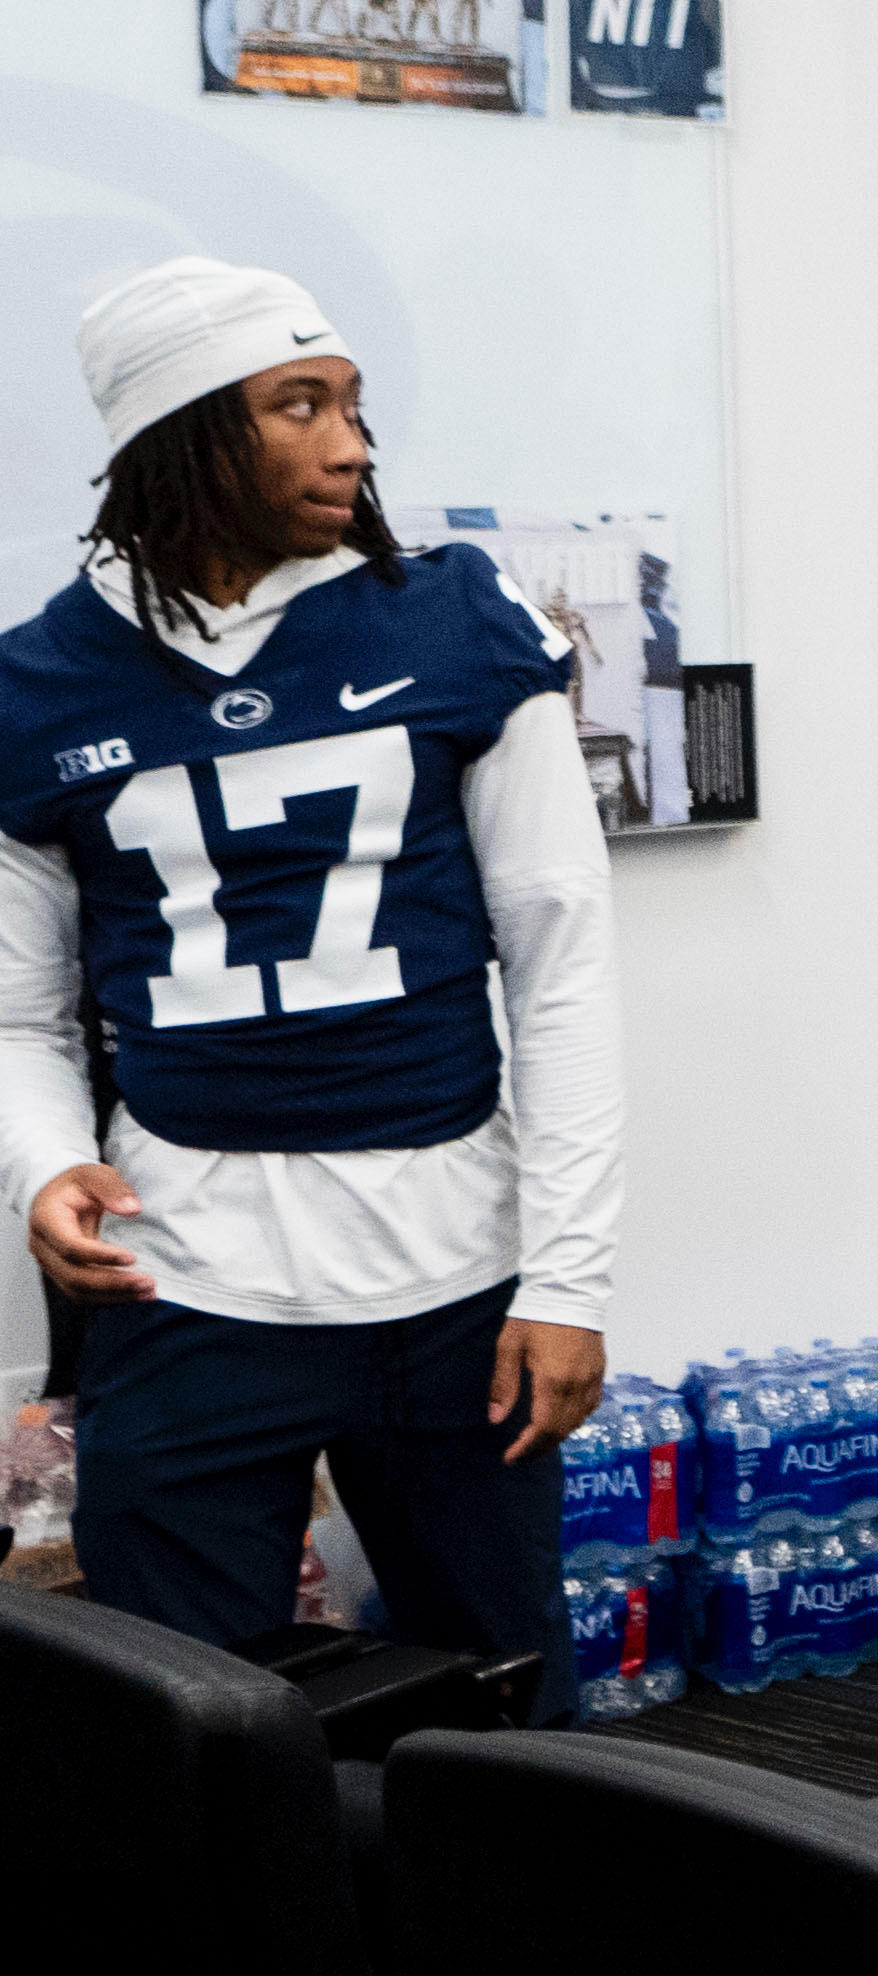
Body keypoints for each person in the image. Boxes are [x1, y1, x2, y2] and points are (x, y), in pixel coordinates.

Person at [0, 258, 622, 1725]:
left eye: (351, 404)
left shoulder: (454, 622)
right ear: (186, 435)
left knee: (505, 1702)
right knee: (178, 1727)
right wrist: (43, 1163)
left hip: (454, 1268)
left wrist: (573, 1275)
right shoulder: (40, 683)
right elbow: (18, 1013)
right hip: (186, 1272)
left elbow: (565, 968)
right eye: (300, 405)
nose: (352, 444)